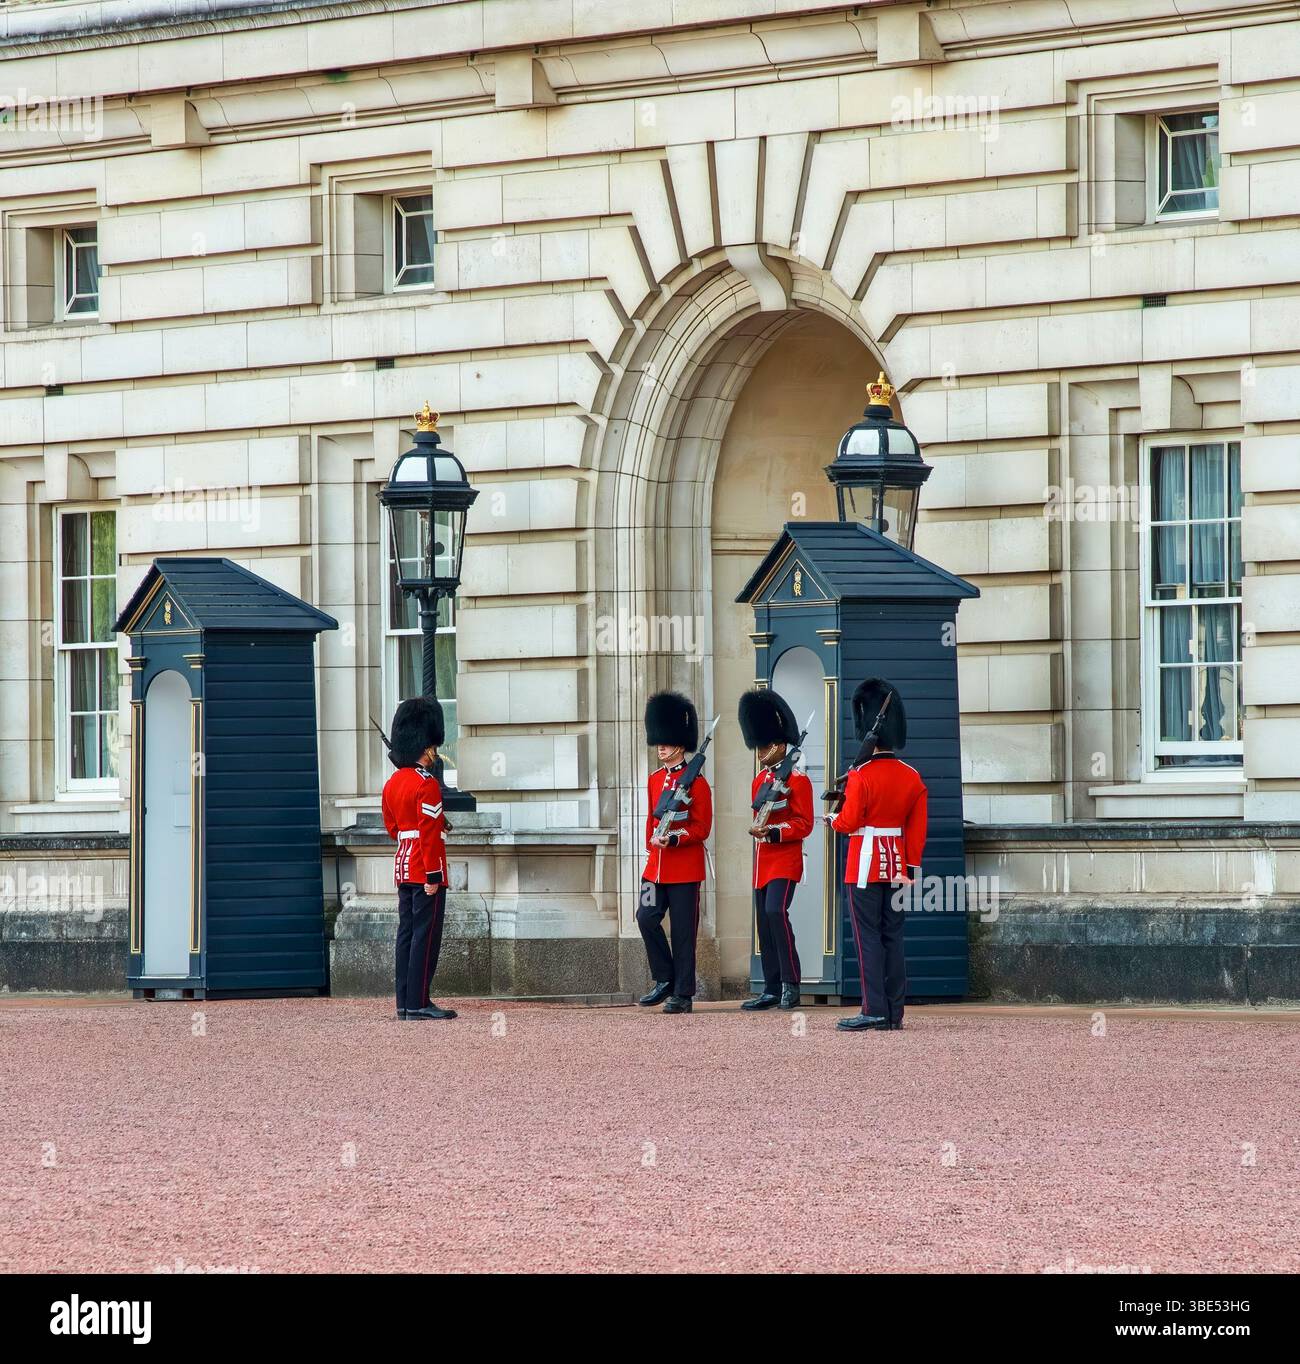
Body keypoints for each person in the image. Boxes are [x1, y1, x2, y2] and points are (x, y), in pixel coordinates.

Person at [827, 679, 927, 1032]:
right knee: (892, 937)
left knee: (867, 936)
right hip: (898, 865)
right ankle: (894, 1013)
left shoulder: (861, 775)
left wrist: (832, 819)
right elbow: (917, 831)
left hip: (864, 865)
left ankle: (873, 1009)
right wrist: (910, 866)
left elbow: (849, 821)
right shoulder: (912, 777)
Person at [381, 696, 457, 1022]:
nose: (435, 754)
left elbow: (393, 828)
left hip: (402, 865)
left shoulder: (392, 783)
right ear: (427, 748)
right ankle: (419, 1002)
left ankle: (404, 1002)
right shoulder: (426, 785)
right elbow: (428, 837)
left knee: (407, 934)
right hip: (424, 868)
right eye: (433, 749)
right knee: (425, 938)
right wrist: (433, 877)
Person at [636, 691, 712, 1015]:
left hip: (684, 869)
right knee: (645, 917)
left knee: (683, 933)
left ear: (680, 745)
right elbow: (651, 817)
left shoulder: (698, 784)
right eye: (659, 742)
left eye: (666, 742)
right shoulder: (655, 780)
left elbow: (702, 827)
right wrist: (651, 843)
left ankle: (683, 993)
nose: (661, 748)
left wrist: (677, 839)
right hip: (656, 868)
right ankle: (664, 979)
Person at [737, 688, 813, 1012]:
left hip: (785, 858)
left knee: (775, 913)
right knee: (764, 922)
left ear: (780, 744)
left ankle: (791, 984)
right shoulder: (759, 782)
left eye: (765, 745)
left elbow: (805, 823)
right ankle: (770, 987)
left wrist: (775, 833)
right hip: (763, 861)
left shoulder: (797, 780)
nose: (760, 751)